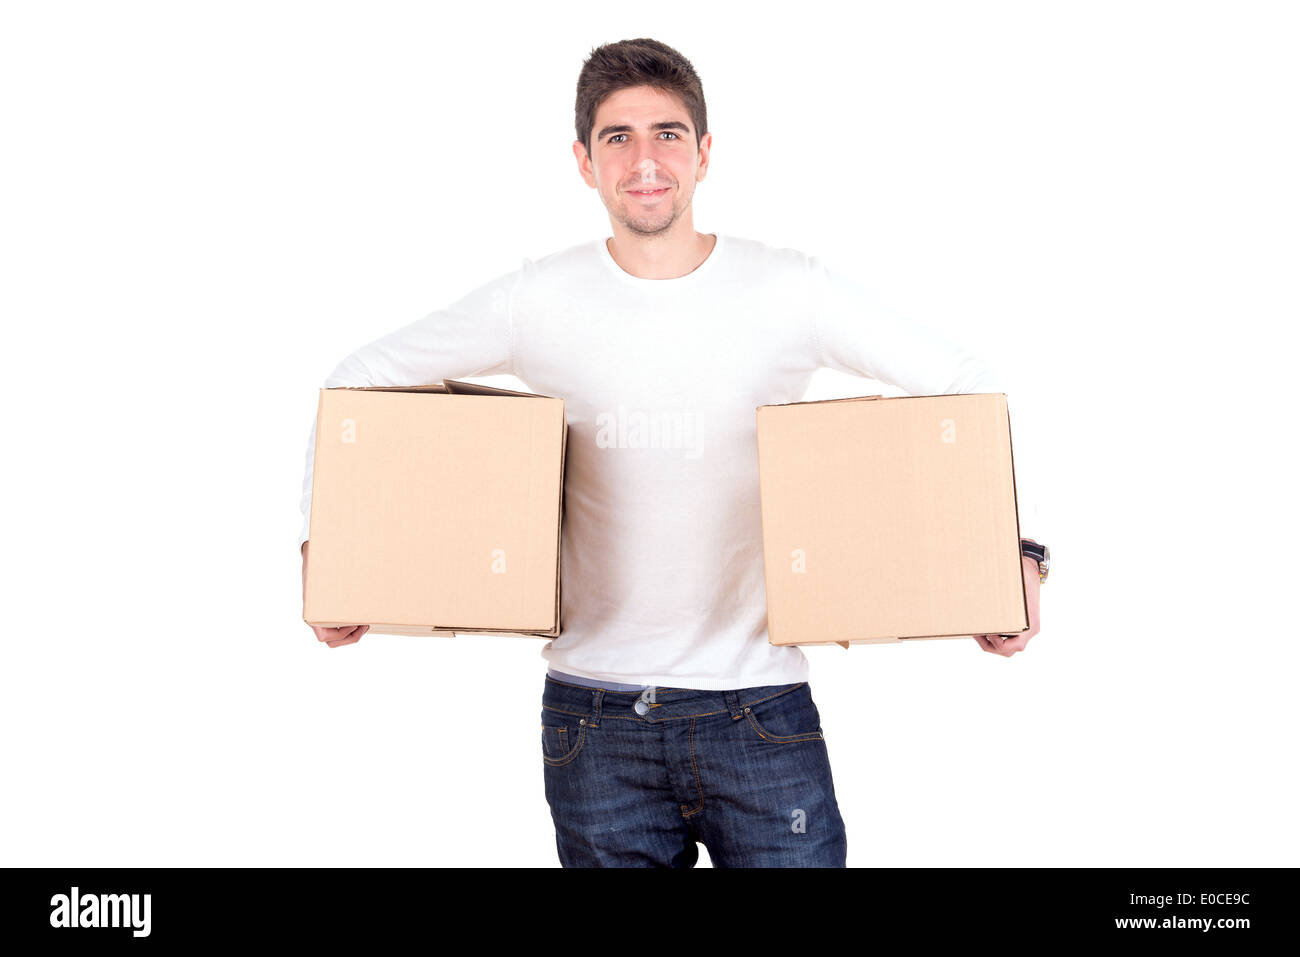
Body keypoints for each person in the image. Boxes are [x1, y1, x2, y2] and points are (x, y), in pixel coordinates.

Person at [298, 37, 1047, 867]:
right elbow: (357, 380)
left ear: (704, 153)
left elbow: (970, 383)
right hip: (594, 721)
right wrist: (325, 552)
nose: (645, 159)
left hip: (757, 706)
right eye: (617, 137)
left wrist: (1022, 552)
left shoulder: (788, 288)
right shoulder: (535, 300)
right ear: (584, 161)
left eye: (668, 133)